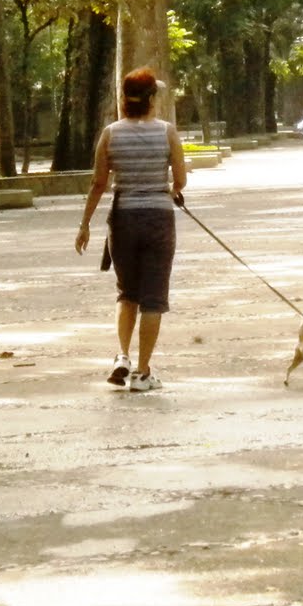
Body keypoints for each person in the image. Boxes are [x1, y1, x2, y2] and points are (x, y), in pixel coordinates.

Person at [74, 67, 187, 392]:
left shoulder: (110, 134)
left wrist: (84, 226)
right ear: (151, 99)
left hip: (122, 220)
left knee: (128, 293)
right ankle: (142, 372)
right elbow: (180, 181)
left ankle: (122, 356)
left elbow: (98, 183)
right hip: (158, 220)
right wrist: (166, 188)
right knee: (154, 298)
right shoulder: (167, 132)